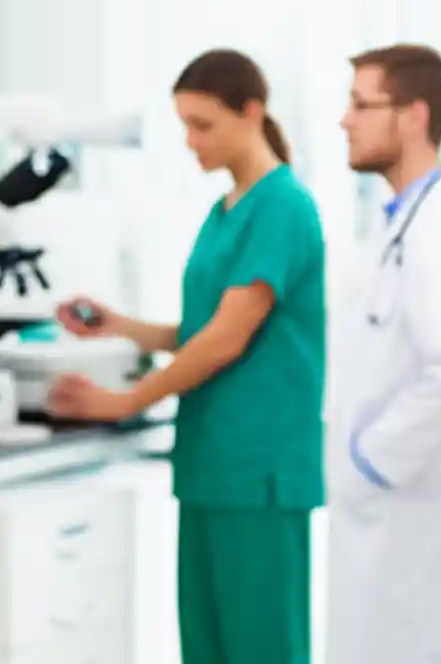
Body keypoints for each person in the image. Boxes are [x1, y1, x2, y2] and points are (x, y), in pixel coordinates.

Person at [51, 49, 326, 664]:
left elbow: (228, 338)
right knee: (207, 649)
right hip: (210, 465)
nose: (190, 141)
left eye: (203, 125)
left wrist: (123, 401)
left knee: (261, 648)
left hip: (260, 471)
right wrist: (120, 327)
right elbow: (201, 330)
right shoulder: (224, 209)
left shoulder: (282, 205)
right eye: (184, 125)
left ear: (251, 113)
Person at [326, 43, 441, 664]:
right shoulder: (404, 221)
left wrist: (371, 463)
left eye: (360, 104)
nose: (345, 120)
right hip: (392, 519)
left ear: (414, 116)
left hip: (415, 515)